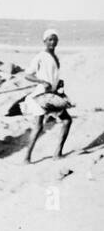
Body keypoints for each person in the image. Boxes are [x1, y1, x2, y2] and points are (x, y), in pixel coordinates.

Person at [22, 29, 73, 162]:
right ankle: (26, 158)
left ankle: (57, 153)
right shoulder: (40, 56)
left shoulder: (56, 57)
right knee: (38, 126)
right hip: (42, 96)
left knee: (67, 120)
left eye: (55, 39)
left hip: (53, 95)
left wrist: (58, 82)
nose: (53, 42)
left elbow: (52, 75)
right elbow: (27, 75)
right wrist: (42, 81)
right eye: (50, 39)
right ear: (44, 41)